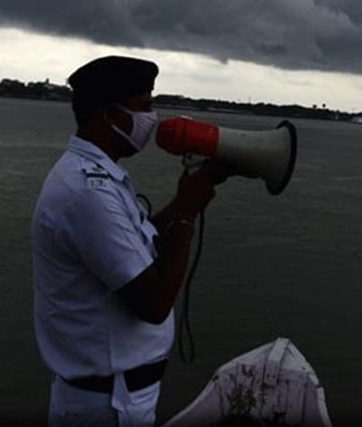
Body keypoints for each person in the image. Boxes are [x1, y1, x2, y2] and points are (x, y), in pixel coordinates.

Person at [32, 55, 226, 427]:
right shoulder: (87, 193)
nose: (150, 120)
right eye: (143, 107)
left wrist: (188, 199)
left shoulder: (98, 178)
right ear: (109, 114)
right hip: (108, 406)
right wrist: (186, 213)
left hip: (114, 398)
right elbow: (153, 304)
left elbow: (140, 244)